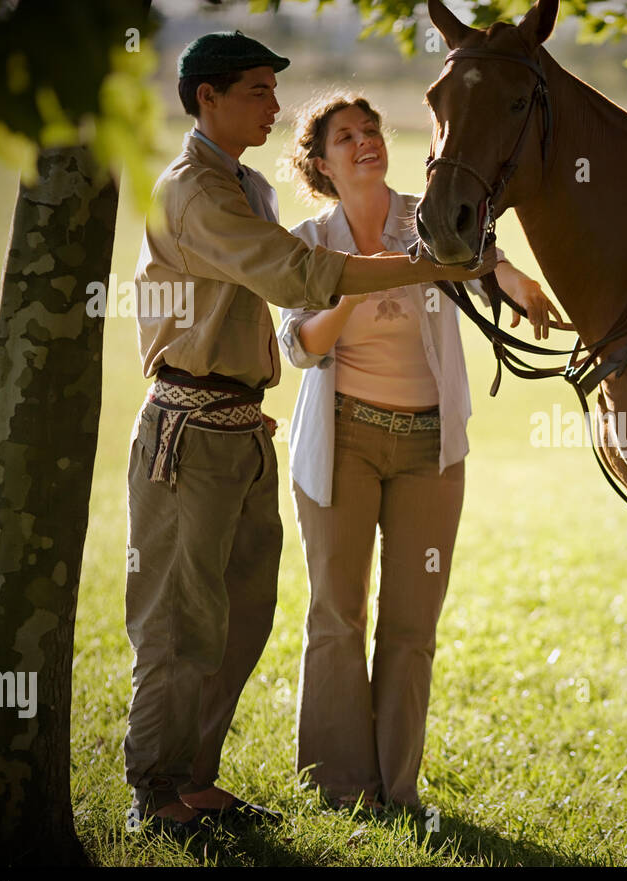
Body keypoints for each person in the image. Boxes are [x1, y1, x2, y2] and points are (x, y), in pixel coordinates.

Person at [124, 34, 493, 839]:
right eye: (257, 90)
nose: (272, 104)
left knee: (241, 615)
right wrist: (422, 268)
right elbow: (295, 280)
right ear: (207, 98)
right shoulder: (195, 190)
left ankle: (195, 781)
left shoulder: (246, 184)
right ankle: (155, 795)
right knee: (181, 622)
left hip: (240, 424)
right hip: (190, 426)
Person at [278, 92, 558, 811]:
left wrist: (516, 278)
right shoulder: (310, 238)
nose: (366, 141)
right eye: (347, 136)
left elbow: (481, 257)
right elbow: (299, 347)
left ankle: (397, 789)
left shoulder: (425, 217)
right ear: (320, 162)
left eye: (371, 130)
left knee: (411, 625)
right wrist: (352, 279)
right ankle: (342, 788)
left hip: (430, 450)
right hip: (340, 442)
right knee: (337, 617)